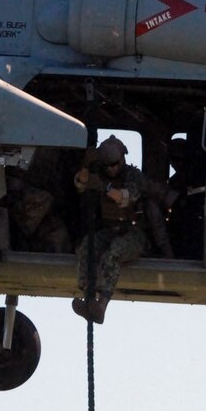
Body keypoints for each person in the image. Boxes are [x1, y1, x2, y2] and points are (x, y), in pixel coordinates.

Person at [72, 135, 148, 323]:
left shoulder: (134, 176)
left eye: (114, 164)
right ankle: (88, 298)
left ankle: (102, 305)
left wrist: (104, 187)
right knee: (87, 248)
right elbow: (80, 184)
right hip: (110, 229)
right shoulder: (100, 175)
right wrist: (86, 165)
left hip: (135, 233)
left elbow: (125, 197)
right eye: (107, 165)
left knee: (113, 253)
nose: (111, 169)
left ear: (122, 159)